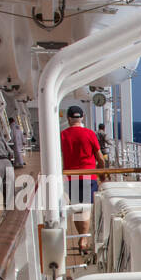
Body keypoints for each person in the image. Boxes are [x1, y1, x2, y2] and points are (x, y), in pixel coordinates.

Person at [60, 105, 106, 250]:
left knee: (76, 208)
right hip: (89, 176)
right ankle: (83, 240)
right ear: (82, 118)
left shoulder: (63, 135)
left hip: (71, 176)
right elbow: (100, 158)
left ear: (68, 118)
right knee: (86, 209)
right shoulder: (90, 133)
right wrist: (102, 174)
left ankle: (82, 237)